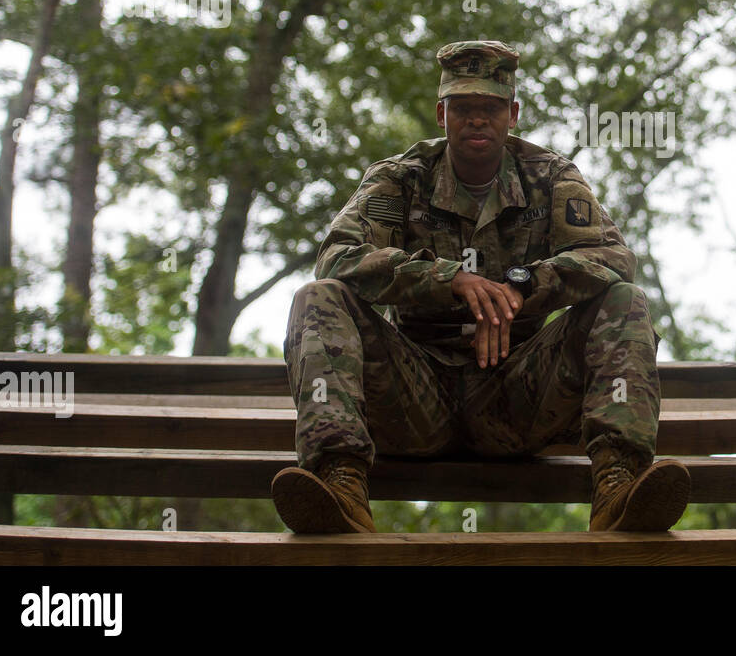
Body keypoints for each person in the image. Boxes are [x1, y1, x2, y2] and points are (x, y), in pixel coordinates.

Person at [271, 40, 690, 534]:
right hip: (413, 396)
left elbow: (614, 259)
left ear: (512, 115)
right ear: (440, 114)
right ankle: (339, 485)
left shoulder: (549, 177)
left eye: (489, 108)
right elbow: (337, 258)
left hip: (518, 395)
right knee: (316, 298)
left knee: (625, 301)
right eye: (462, 108)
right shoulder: (399, 179)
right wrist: (447, 279)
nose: (476, 120)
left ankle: (619, 485)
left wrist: (525, 284)